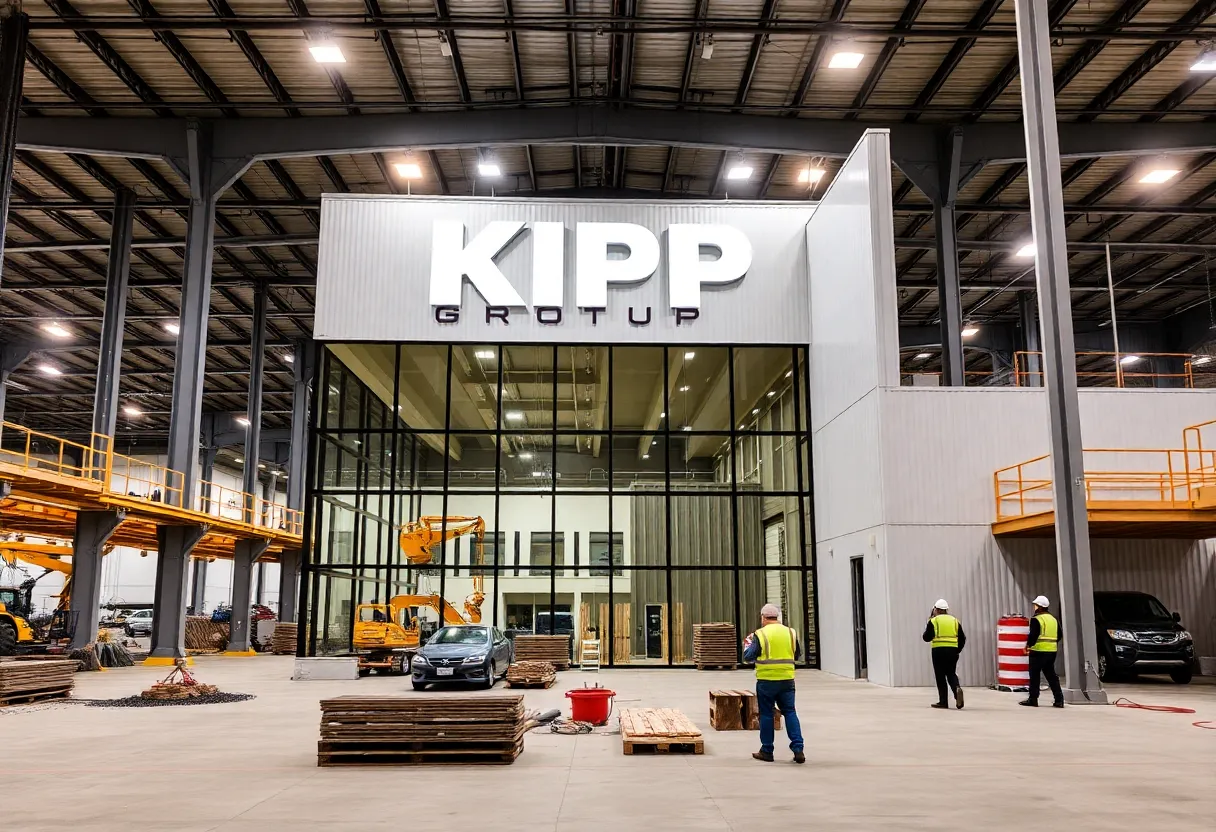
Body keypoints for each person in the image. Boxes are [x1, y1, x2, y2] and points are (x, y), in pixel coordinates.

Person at [742, 603, 805, 764]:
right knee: (790, 712)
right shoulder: (790, 632)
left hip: (767, 681)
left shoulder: (760, 634)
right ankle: (798, 749)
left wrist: (747, 644)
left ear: (763, 617)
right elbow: (797, 654)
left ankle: (767, 750)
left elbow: (748, 657)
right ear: (777, 617)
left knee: (767, 714)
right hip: (787, 680)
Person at [1020, 595, 1064, 708]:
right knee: (1051, 676)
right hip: (1051, 652)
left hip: (1038, 652)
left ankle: (1033, 699)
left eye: (1036, 605)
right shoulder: (1054, 619)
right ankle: (1059, 700)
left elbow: (1033, 635)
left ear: (1039, 607)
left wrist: (1028, 645)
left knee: (1034, 676)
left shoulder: (1036, 619)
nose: (1035, 607)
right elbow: (1059, 635)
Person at [922, 599, 966, 710]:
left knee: (940, 676)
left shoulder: (934, 621)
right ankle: (957, 690)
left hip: (938, 651)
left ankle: (943, 702)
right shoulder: (955, 620)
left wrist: (929, 622)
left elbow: (926, 638)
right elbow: (962, 638)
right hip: (952, 651)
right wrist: (957, 650)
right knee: (951, 673)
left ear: (936, 609)